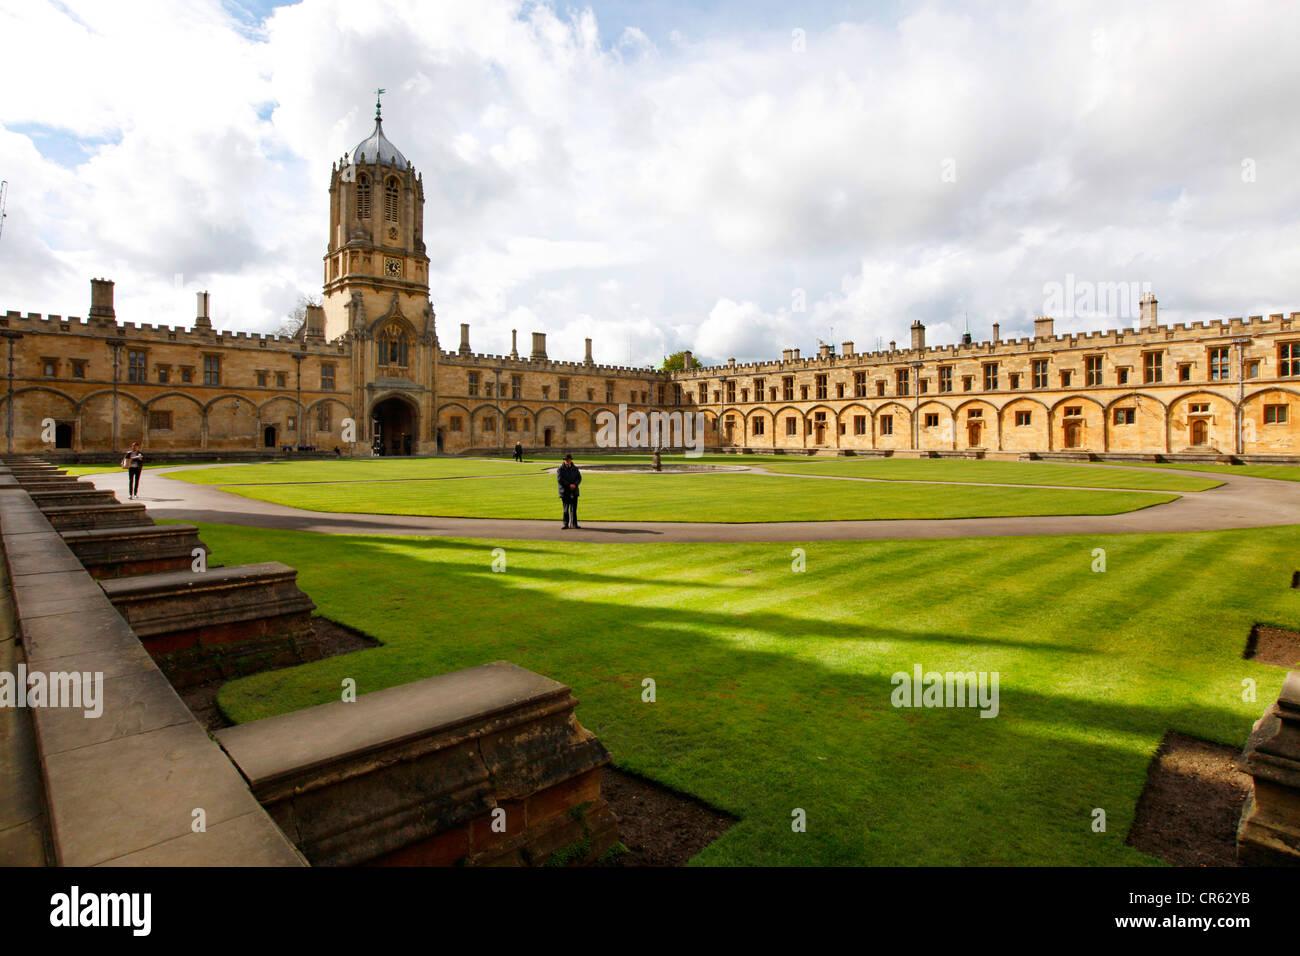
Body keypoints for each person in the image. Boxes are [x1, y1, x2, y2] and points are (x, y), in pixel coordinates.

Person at [557, 453, 581, 529]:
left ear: (571, 460)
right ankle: (565, 524)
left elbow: (579, 478)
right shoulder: (560, 469)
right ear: (564, 460)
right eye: (566, 460)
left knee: (574, 509)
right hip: (565, 491)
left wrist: (574, 484)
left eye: (568, 460)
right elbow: (560, 480)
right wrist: (569, 485)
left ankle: (574, 524)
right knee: (566, 509)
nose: (567, 461)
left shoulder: (575, 468)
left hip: (574, 491)